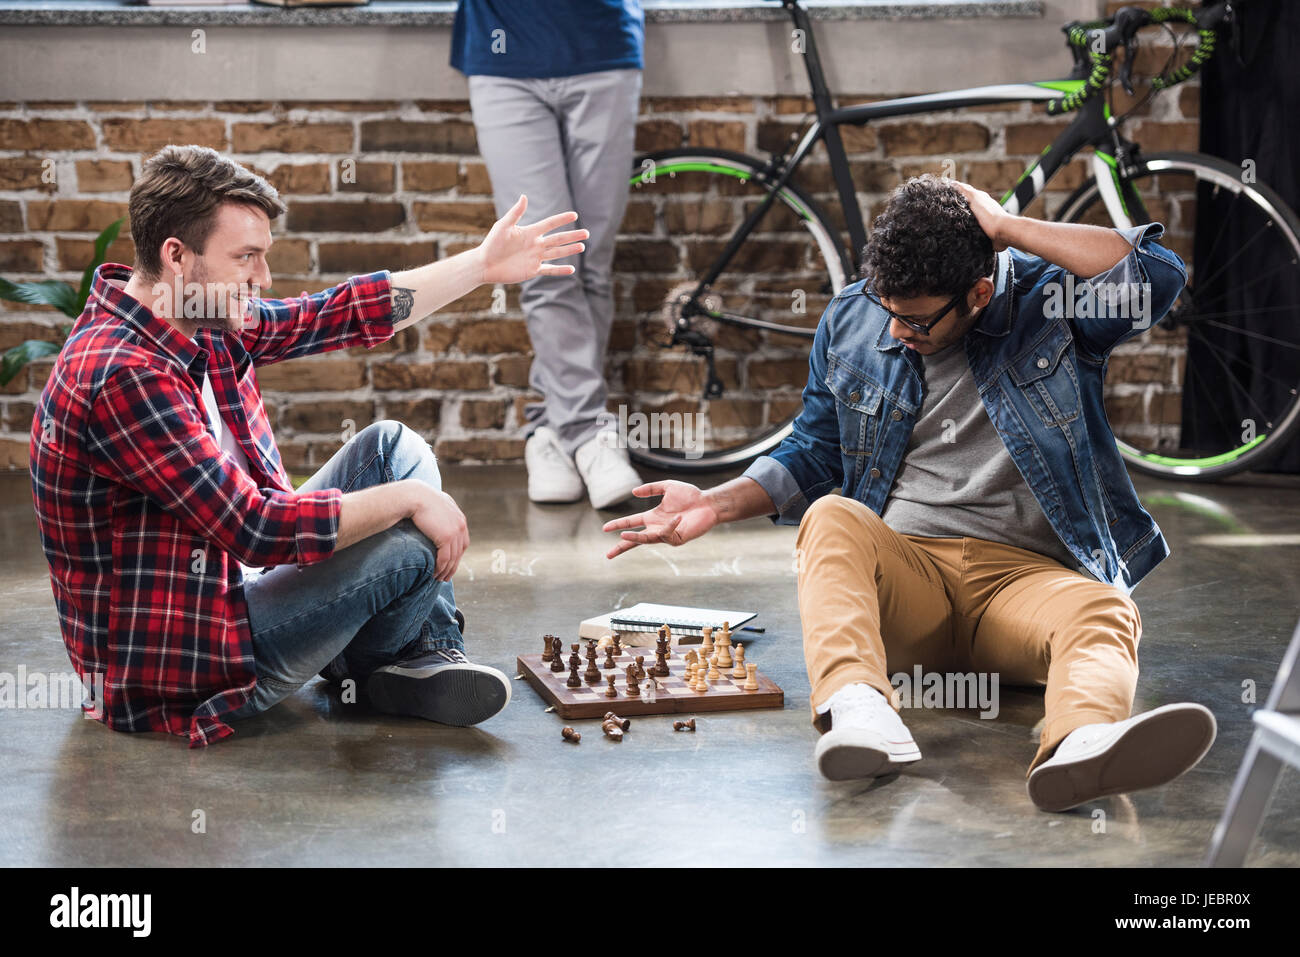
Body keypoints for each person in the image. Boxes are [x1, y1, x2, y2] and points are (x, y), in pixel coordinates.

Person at [603, 175, 1218, 812]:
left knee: (1105, 610)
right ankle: (861, 711)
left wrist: (1004, 227)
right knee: (833, 516)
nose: (896, 330)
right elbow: (814, 450)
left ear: (979, 292)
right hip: (908, 580)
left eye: (917, 319)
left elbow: (1154, 275)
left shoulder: (1053, 305)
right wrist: (715, 501)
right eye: (888, 308)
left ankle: (1082, 746)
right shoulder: (853, 318)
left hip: (1026, 587)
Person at [29, 144, 586, 747]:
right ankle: (378, 667)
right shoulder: (124, 374)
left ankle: (418, 656)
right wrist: (410, 501)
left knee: (391, 448)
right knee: (411, 540)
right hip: (193, 659)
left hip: (234, 584)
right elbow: (256, 528)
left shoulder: (197, 317)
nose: (263, 279)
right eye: (247, 258)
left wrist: (481, 265)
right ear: (177, 257)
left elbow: (336, 314)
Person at [451, 0, 645, 508]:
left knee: (592, 262)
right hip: (505, 57)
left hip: (603, 48)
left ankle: (548, 430)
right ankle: (588, 434)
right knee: (547, 261)